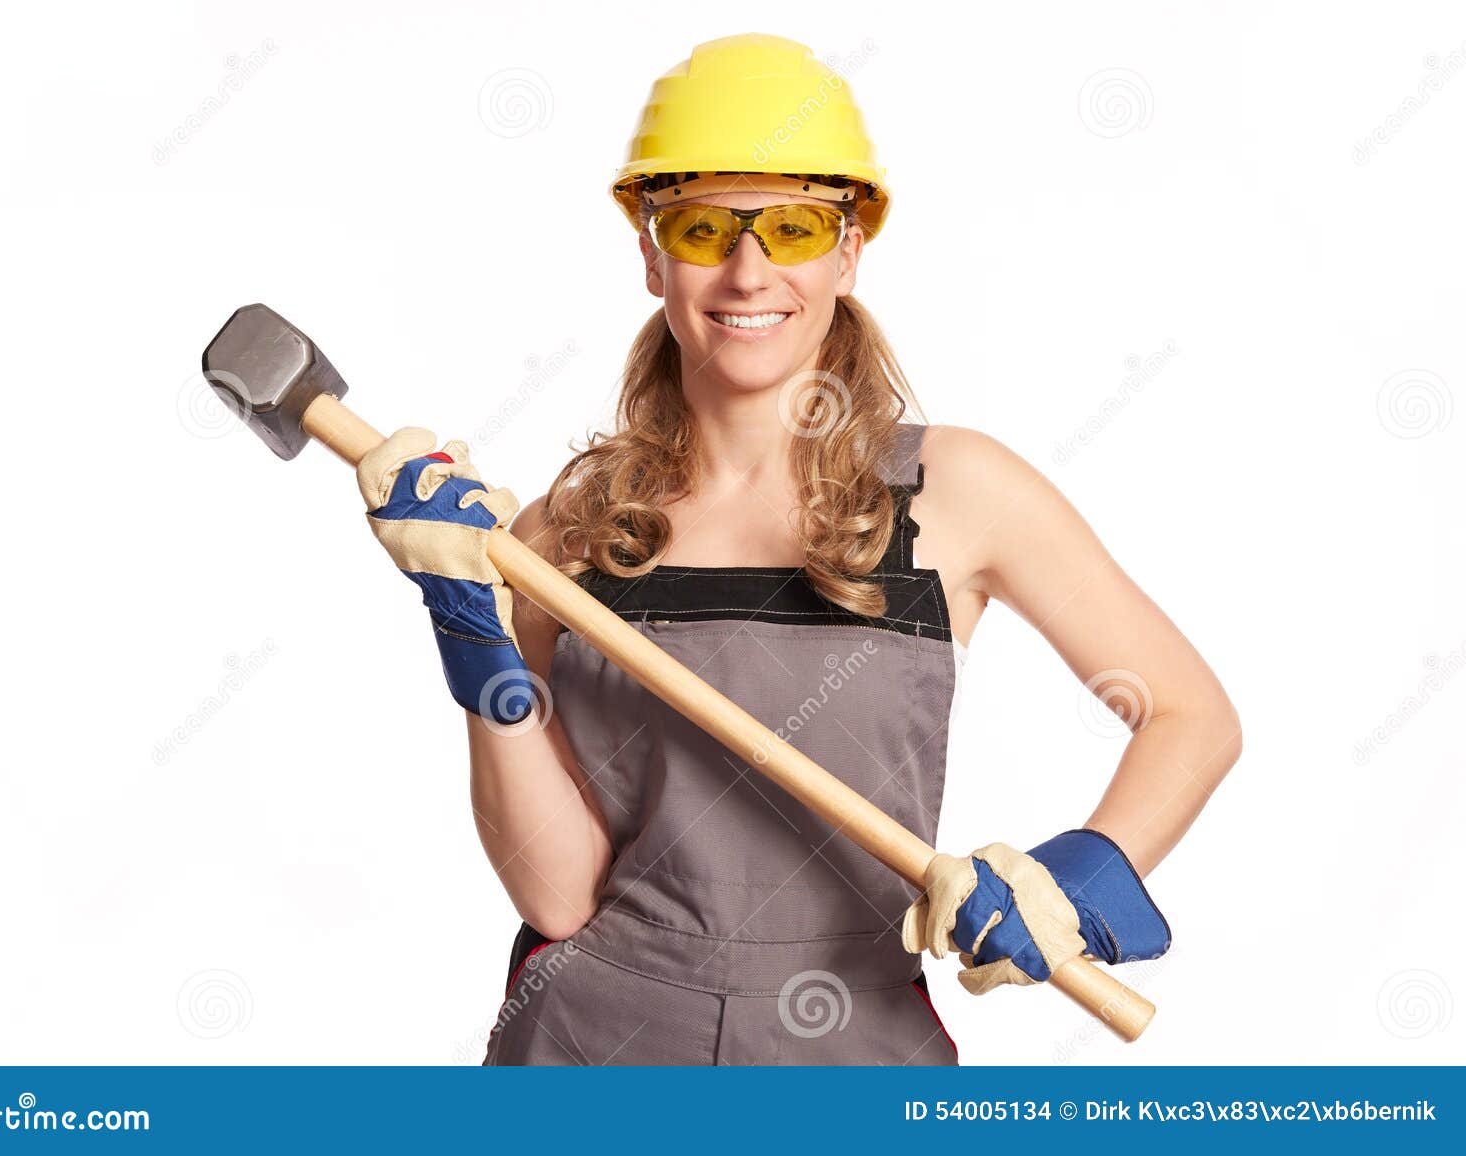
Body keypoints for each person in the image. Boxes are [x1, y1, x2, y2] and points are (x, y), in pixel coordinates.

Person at [355, 33, 1241, 1065]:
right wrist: (472, 630)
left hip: (852, 1049)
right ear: (650, 253)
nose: (747, 271)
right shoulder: (565, 530)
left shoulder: (954, 493)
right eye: (699, 228)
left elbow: (1189, 714)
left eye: (793, 225)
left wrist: (1075, 878)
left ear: (849, 249)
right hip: (594, 1048)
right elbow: (559, 891)